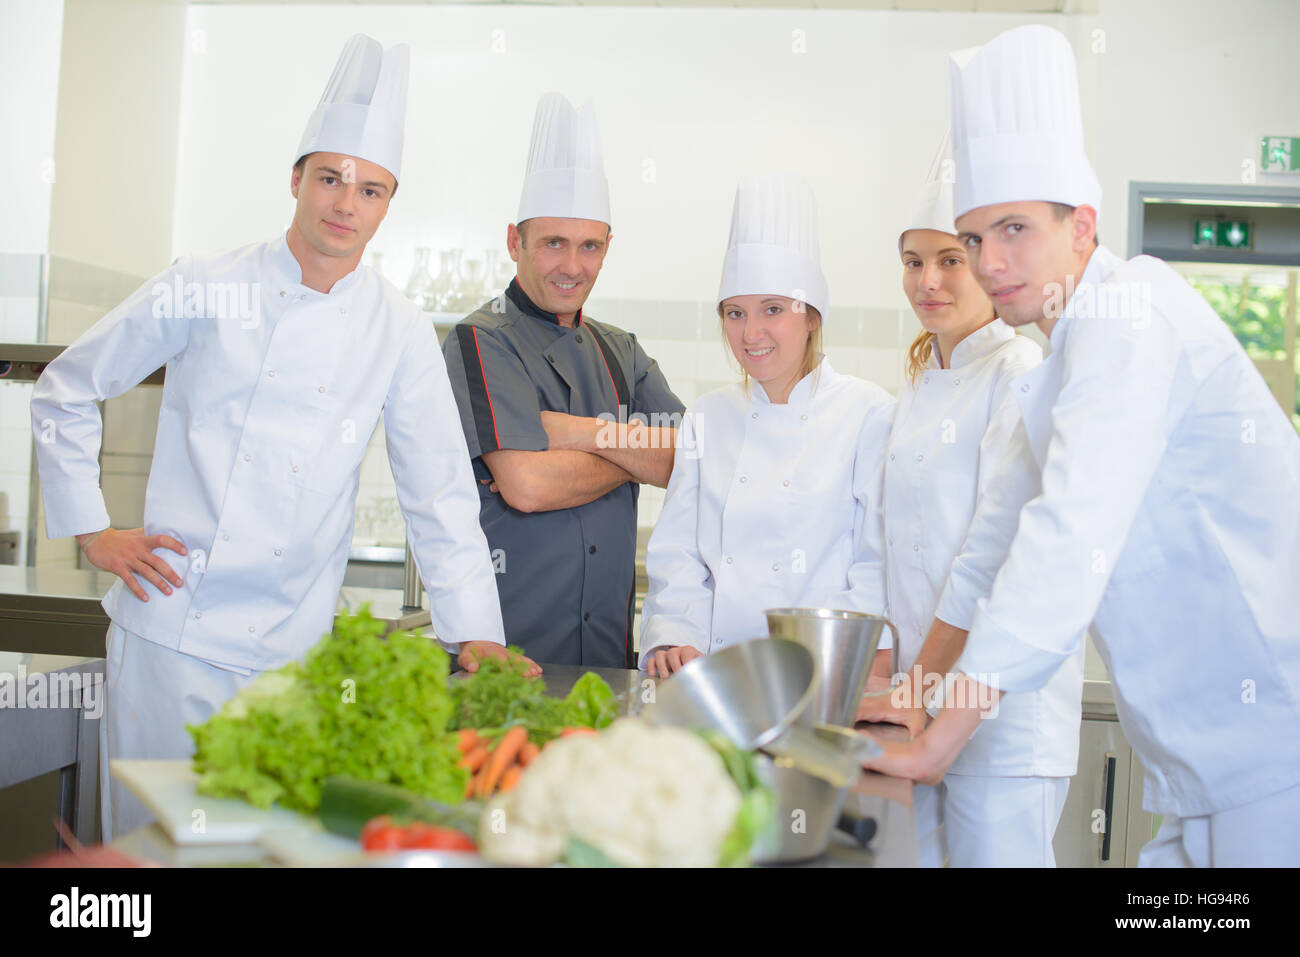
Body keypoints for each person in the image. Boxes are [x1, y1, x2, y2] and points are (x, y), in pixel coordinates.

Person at [29, 35, 516, 839]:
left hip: (291, 653)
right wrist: (92, 529)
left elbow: (438, 492)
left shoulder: (395, 328)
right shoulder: (205, 285)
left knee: (259, 853)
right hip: (170, 638)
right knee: (146, 853)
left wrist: (479, 633)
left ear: (387, 205)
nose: (344, 204)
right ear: (296, 179)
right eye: (329, 178)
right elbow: (68, 386)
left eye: (370, 189)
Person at [861, 24, 1300, 868]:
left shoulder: (1129, 314)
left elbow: (1067, 539)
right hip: (1200, 767)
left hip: (1271, 751)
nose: (990, 263)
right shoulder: (1060, 365)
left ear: (1083, 224)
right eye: (976, 236)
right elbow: (995, 549)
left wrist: (938, 743)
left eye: (1015, 229)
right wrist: (914, 698)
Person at [856, 134, 1083, 866]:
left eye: (950, 258)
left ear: (987, 263)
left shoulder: (1019, 373)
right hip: (917, 703)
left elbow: (985, 560)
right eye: (914, 262)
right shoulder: (920, 383)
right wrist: (898, 680)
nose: (929, 281)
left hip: (1003, 718)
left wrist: (918, 686)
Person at [442, 93, 684, 668]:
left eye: (589, 246)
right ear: (514, 241)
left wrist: (571, 433)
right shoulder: (480, 340)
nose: (572, 267)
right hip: (507, 659)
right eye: (553, 243)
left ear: (606, 248)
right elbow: (527, 486)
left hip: (607, 660)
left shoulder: (621, 349)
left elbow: (683, 459)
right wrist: (630, 448)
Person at [639, 173, 894, 677]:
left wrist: (837, 661)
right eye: (735, 314)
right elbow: (678, 554)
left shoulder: (869, 414)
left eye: (772, 310)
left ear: (811, 316)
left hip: (820, 679)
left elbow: (875, 566)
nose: (751, 333)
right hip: (715, 679)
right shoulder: (708, 416)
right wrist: (675, 638)